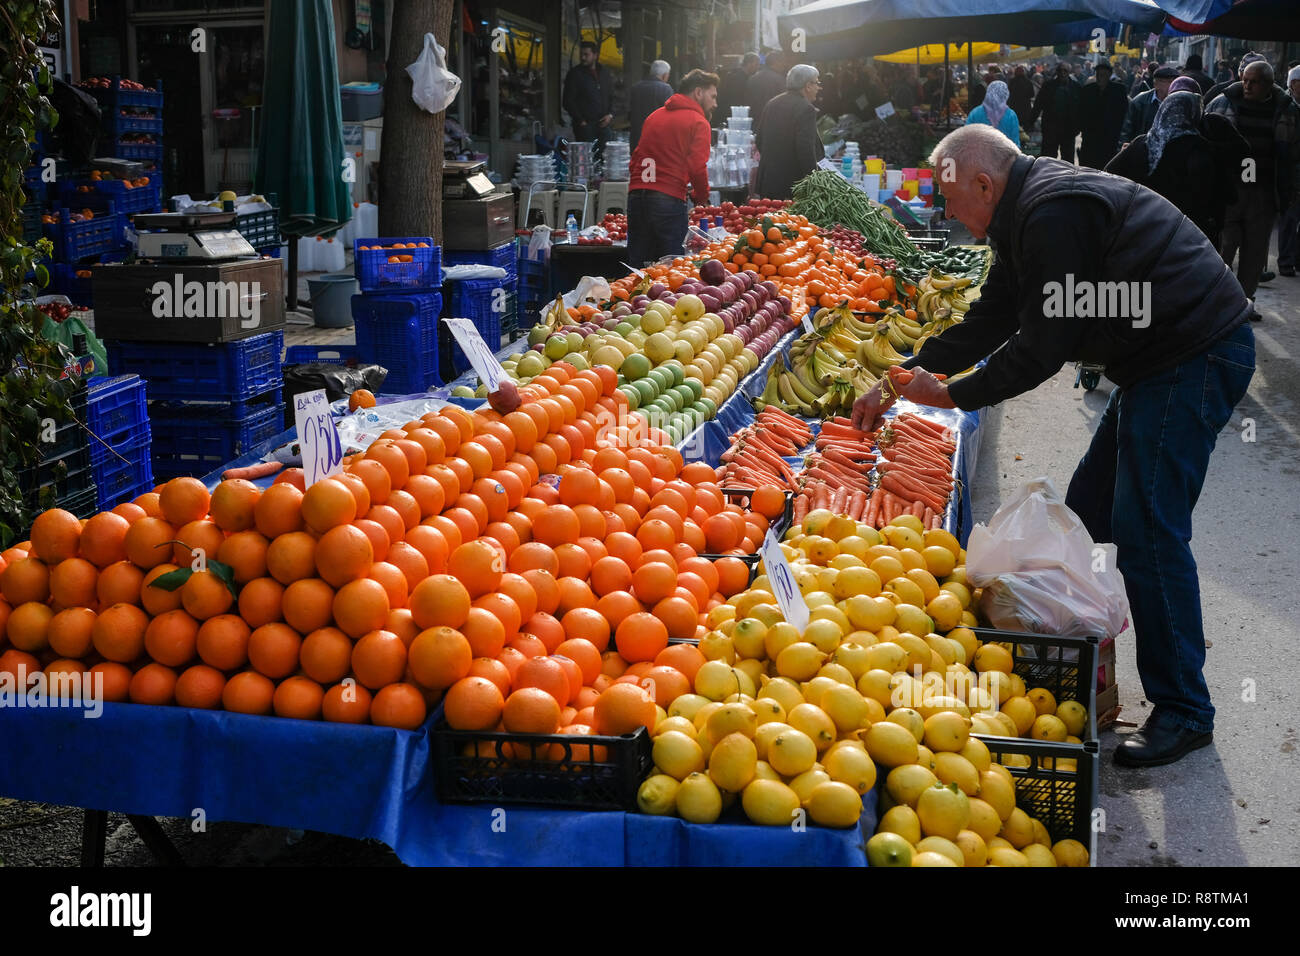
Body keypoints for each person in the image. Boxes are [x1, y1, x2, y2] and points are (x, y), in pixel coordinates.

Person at [852, 124, 1255, 768]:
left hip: (1192, 353)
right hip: (1158, 358)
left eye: (952, 204)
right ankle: (1084, 653)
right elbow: (996, 314)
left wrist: (952, 396)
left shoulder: (1052, 214)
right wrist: (905, 371)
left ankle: (1185, 708)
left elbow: (1044, 344)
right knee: (1091, 504)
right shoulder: (1023, 214)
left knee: (1147, 526)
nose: (949, 216)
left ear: (984, 183)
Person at [1207, 59, 1300, 301]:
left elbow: (1294, 154)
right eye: (1245, 80)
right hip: (1230, 190)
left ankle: (1245, 301)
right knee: (1224, 246)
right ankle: (1218, 301)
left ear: (1268, 85)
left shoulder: (1287, 111)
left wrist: (1291, 189)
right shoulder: (1222, 103)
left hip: (1265, 193)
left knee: (1255, 252)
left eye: (1254, 82)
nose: (1247, 86)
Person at [1106, 90, 1249, 247]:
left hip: (1143, 230)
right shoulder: (1199, 149)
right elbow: (1212, 196)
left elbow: (1109, 174)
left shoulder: (1141, 144)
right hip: (1187, 237)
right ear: (1192, 114)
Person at [626, 69, 717, 267]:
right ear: (698, 92)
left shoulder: (654, 116)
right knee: (672, 267)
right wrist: (702, 197)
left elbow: (635, 159)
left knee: (638, 267)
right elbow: (697, 166)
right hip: (667, 198)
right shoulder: (699, 122)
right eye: (713, 96)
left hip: (637, 195)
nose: (715, 103)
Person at [755, 64, 826, 200]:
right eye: (817, 83)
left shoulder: (772, 103)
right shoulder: (806, 109)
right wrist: (815, 184)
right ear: (808, 85)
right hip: (792, 186)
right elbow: (805, 150)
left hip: (769, 182)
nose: (819, 87)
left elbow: (760, 140)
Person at [563, 40, 614, 148]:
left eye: (586, 54)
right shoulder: (575, 74)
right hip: (585, 126)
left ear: (595, 55)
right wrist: (580, 120)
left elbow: (612, 96)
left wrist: (610, 115)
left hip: (603, 124)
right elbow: (567, 101)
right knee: (587, 158)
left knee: (605, 157)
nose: (583, 58)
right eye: (581, 54)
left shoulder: (605, 73)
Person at [1078, 62, 1129, 167]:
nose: (1100, 78)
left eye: (1103, 75)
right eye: (1098, 75)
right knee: (1088, 166)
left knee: (1107, 166)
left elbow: (1123, 112)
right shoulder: (1088, 90)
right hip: (1090, 136)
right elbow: (1081, 111)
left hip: (1110, 137)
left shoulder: (1119, 90)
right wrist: (1083, 128)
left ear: (1109, 75)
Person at [1031, 63, 1081, 162]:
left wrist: (1078, 127)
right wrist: (1031, 121)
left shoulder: (1076, 87)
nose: (1062, 73)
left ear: (1069, 72)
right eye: (1060, 71)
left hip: (1068, 130)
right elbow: (1038, 105)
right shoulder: (1048, 86)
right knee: (1048, 160)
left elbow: (1081, 109)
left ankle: (1066, 178)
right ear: (1057, 72)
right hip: (1051, 129)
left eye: (1065, 71)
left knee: (1067, 161)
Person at [1278, 64, 1300, 276]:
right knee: (1289, 218)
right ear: (1294, 84)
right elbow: (1283, 144)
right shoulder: (1287, 108)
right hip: (1292, 172)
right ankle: (1285, 260)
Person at [1121, 65, 1176, 143]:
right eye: (1169, 82)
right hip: (1144, 150)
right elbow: (1126, 130)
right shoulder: (1139, 101)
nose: (1173, 85)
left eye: (1175, 82)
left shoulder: (1178, 102)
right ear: (1156, 84)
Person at [628, 60, 673, 150]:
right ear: (664, 75)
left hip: (636, 137)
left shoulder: (635, 87)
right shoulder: (666, 89)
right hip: (656, 139)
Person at [965, 79, 1020, 144]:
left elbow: (966, 135)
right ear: (1006, 94)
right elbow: (1015, 141)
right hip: (1003, 153)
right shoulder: (1011, 115)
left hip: (978, 152)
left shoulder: (975, 113)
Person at [718, 52, 759, 126]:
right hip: (732, 114)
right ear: (749, 64)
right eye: (756, 64)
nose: (757, 67)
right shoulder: (739, 79)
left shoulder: (734, 74)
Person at [746, 51, 785, 122]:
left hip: (755, 118)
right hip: (773, 118)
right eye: (782, 62)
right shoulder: (779, 80)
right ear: (776, 62)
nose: (784, 65)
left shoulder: (752, 78)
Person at [1008, 66, 1036, 131]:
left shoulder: (1012, 82)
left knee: (1015, 127)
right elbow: (1032, 94)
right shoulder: (1028, 82)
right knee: (1025, 128)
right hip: (1025, 108)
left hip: (1015, 107)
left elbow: (1008, 93)